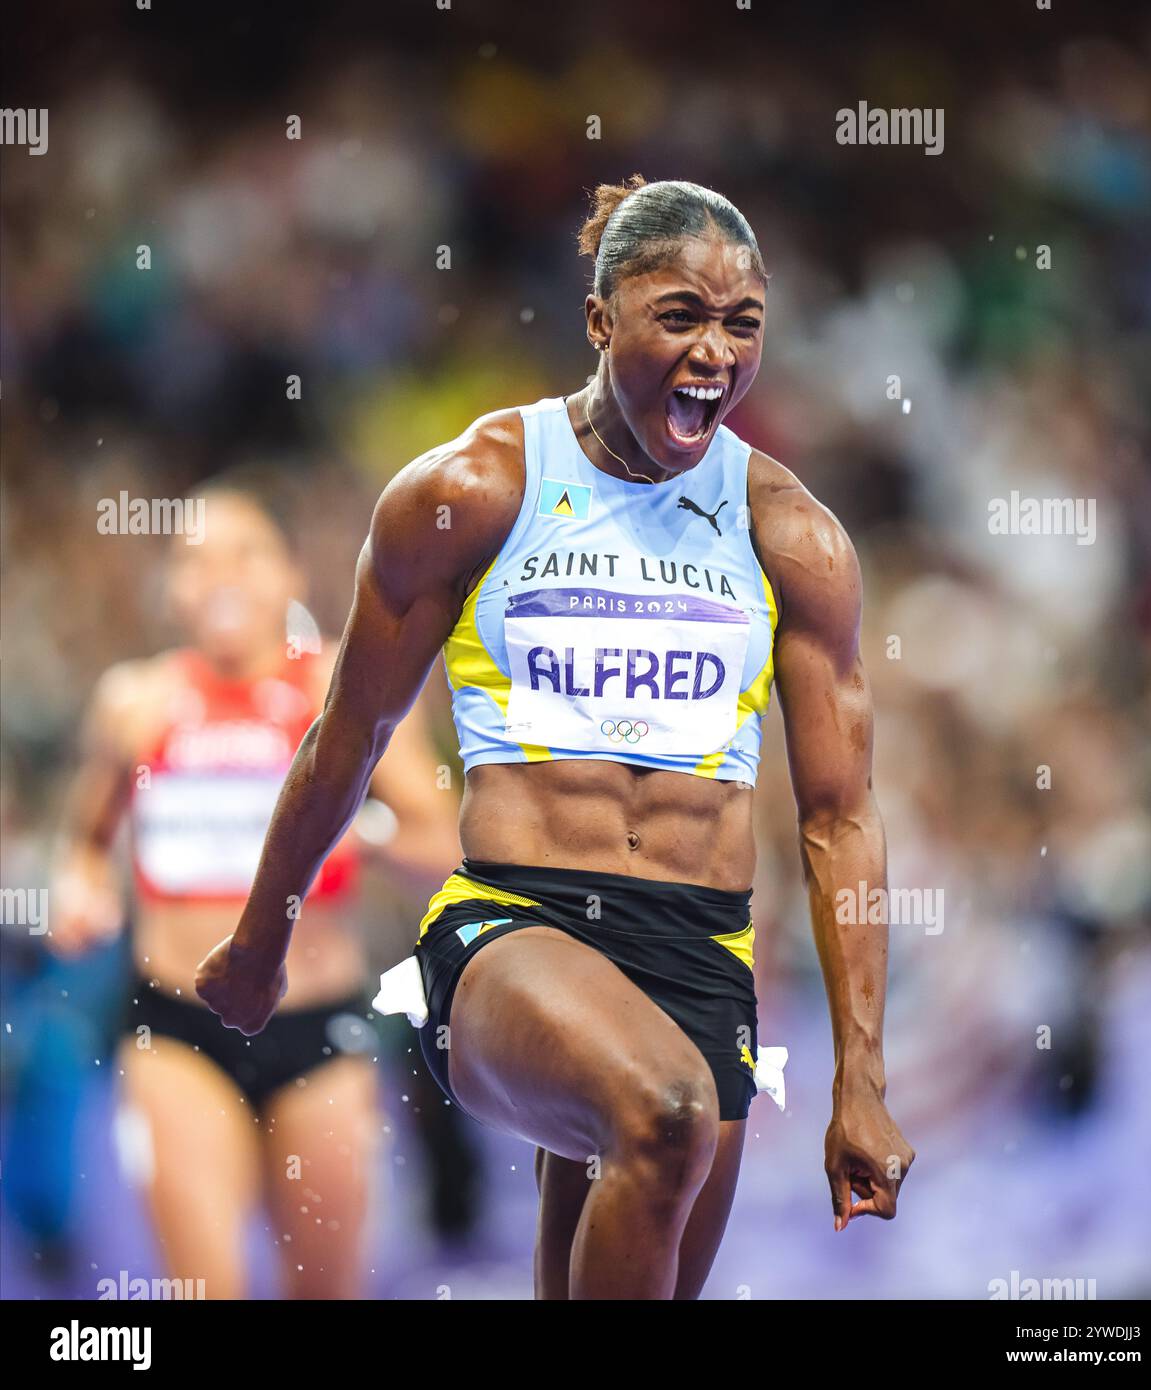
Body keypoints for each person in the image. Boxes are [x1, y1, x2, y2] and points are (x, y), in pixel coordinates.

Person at [197, 176, 915, 1299]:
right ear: (598, 319)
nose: (715, 352)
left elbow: (839, 814)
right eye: (679, 315)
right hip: (512, 930)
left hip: (701, 953)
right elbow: (347, 736)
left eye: (743, 322)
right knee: (665, 1112)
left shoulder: (794, 535)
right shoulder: (471, 492)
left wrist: (860, 1076)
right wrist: (261, 937)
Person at [50, 480, 460, 1298]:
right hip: (176, 1031)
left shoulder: (344, 698)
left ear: (292, 574)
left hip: (319, 1031)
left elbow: (442, 845)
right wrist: (78, 889)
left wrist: (358, 829)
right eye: (193, 560)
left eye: (245, 553)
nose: (220, 578)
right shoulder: (135, 703)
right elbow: (84, 844)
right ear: (169, 588)